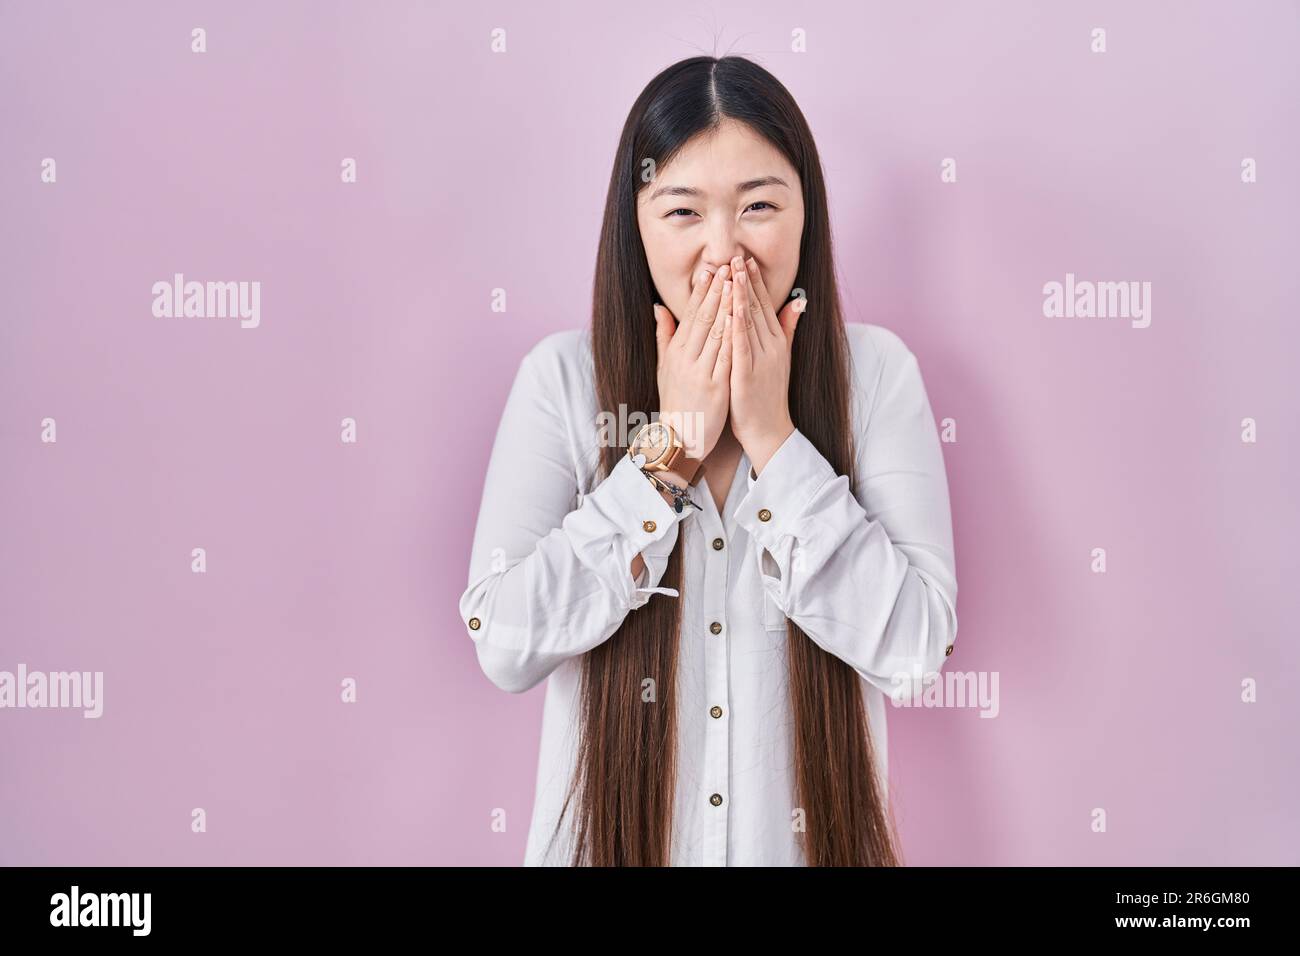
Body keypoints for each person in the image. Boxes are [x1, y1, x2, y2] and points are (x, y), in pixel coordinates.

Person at [459, 55, 958, 866]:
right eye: (683, 211)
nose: (725, 251)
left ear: (807, 216)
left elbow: (914, 650)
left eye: (759, 205)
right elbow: (503, 642)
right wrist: (670, 453)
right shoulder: (563, 381)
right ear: (637, 226)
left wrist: (775, 439)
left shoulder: (875, 377)